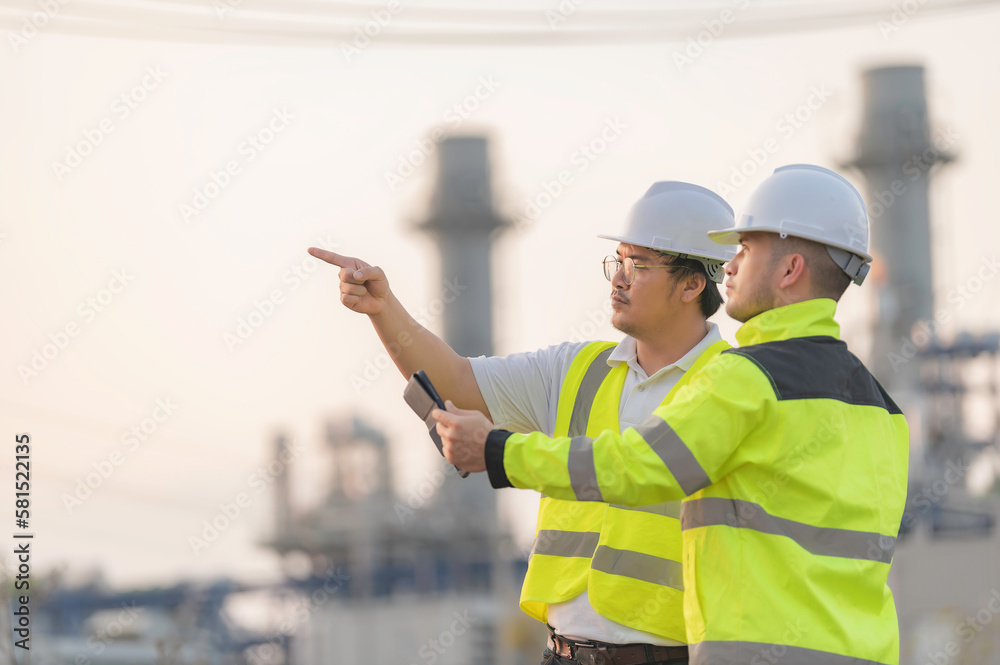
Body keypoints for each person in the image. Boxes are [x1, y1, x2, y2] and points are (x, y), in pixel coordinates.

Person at [433, 164, 910, 665]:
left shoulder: (748, 378)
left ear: (790, 269)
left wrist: (498, 451)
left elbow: (638, 466)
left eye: (746, 250)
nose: (729, 266)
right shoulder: (884, 407)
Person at [309, 181, 737, 665]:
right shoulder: (577, 370)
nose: (618, 279)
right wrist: (384, 309)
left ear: (692, 284)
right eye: (616, 261)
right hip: (561, 653)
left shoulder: (734, 387)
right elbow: (458, 382)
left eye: (637, 265)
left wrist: (498, 451)